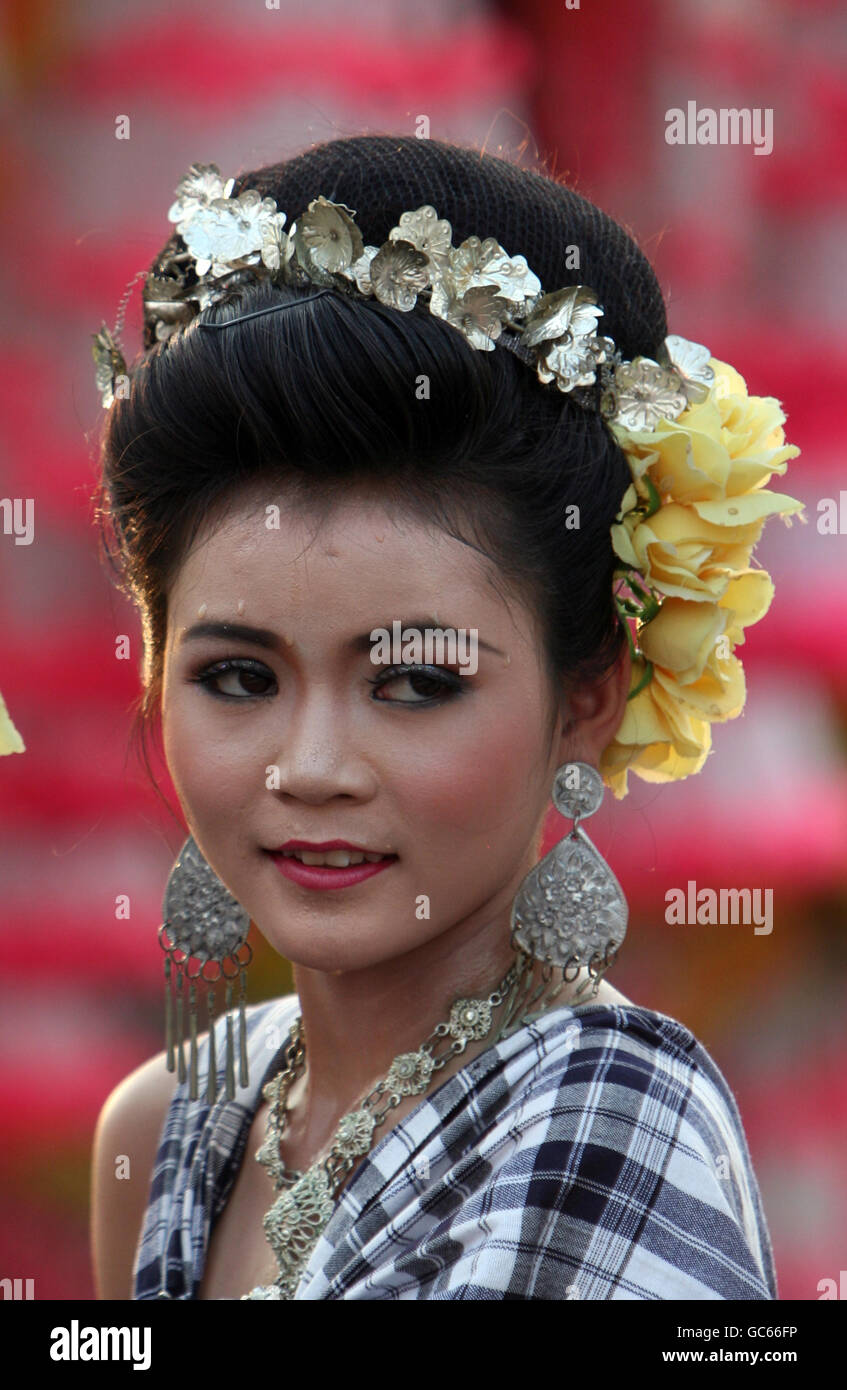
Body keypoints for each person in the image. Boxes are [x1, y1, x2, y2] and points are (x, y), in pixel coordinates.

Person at [89, 133, 799, 1301]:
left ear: (588, 694)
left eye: (413, 682)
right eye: (239, 678)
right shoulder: (167, 1125)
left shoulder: (603, 1125)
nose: (309, 768)